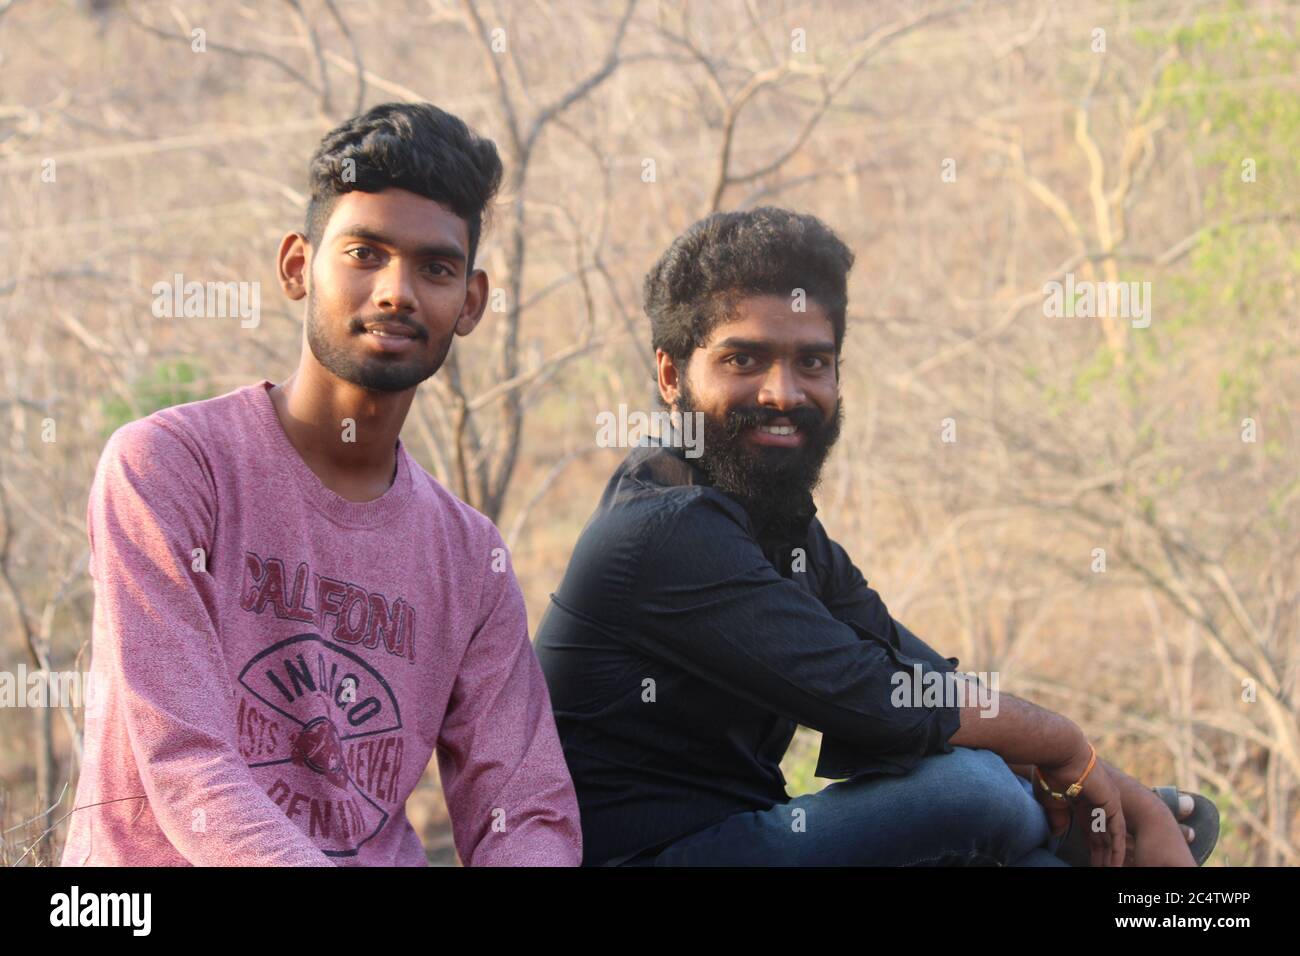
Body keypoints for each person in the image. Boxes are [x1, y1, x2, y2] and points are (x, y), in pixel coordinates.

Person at [534, 207, 1199, 867]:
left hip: (752, 835)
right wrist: (1065, 747)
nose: (782, 393)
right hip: (651, 858)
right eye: (744, 359)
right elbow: (877, 701)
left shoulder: (781, 526)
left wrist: (1121, 794)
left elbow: (923, 681)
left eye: (812, 362)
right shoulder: (663, 530)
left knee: (1127, 815)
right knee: (972, 791)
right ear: (672, 375)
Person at [62, 103, 581, 866]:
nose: (397, 291)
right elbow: (186, 760)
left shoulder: (470, 558)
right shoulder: (168, 467)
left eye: (434, 268)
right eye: (365, 253)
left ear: (469, 302)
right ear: (298, 266)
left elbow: (527, 807)